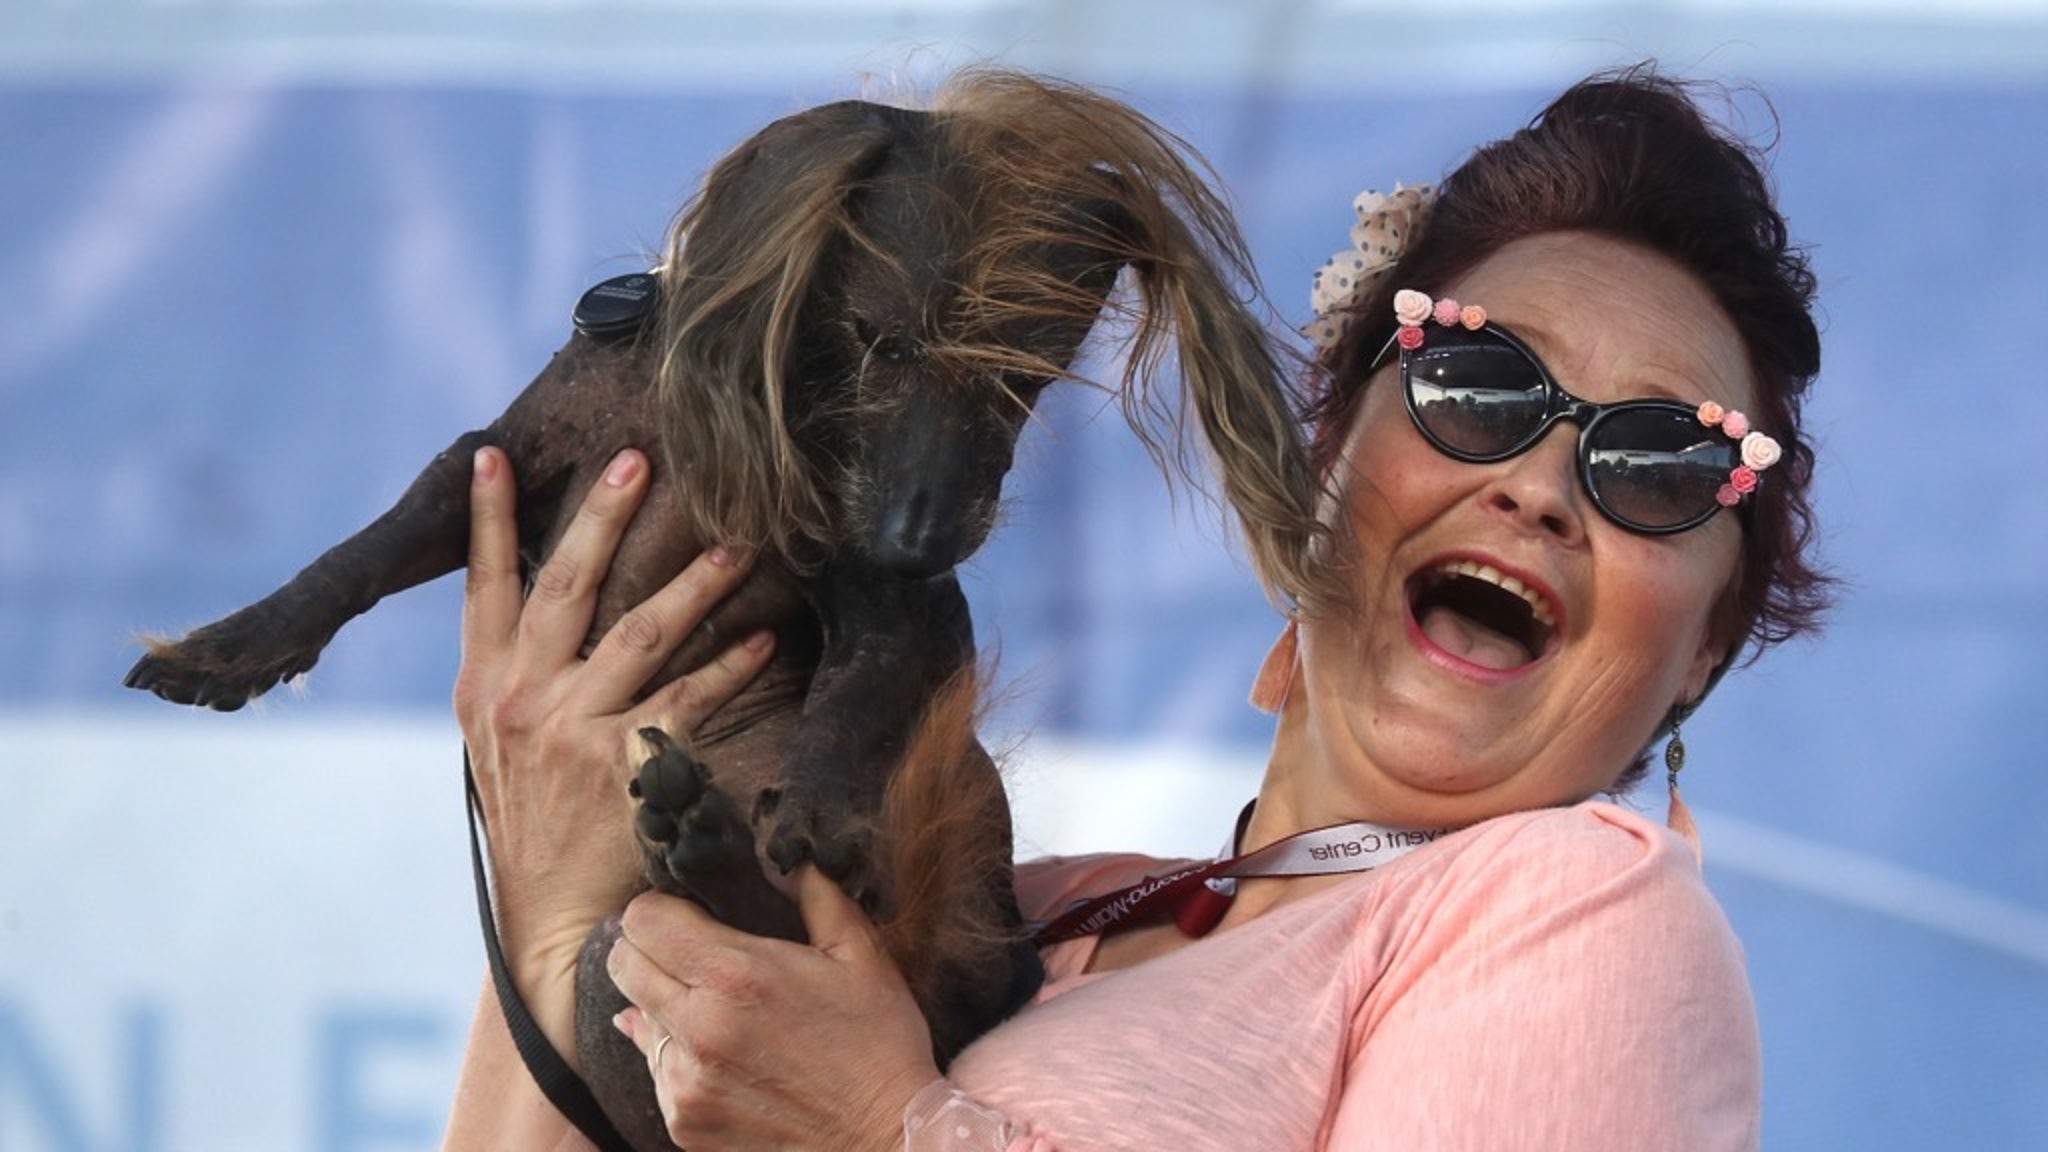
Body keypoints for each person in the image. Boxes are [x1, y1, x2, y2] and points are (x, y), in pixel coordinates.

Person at [444, 64, 1828, 1151]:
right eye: (1480, 386)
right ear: (1329, 465)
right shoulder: (1033, 915)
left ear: (1706, 645)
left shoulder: (1582, 904)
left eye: (1666, 464)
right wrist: (559, 894)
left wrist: (885, 1127)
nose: (1538, 486)